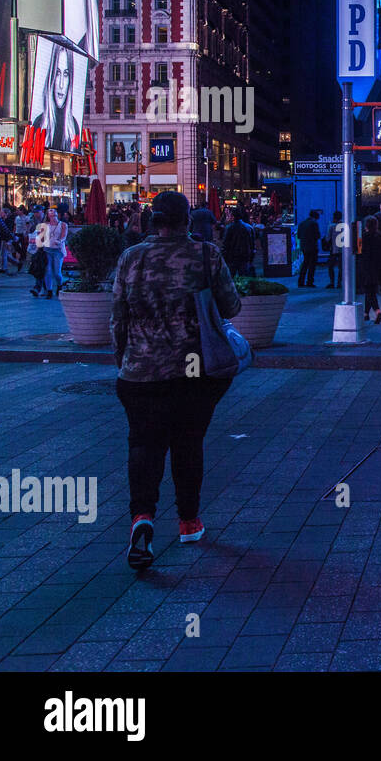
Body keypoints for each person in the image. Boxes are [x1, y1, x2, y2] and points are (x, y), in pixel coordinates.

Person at [110, 191, 240, 571]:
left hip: (140, 373)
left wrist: (124, 360)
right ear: (187, 221)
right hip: (193, 371)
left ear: (152, 221)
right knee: (188, 444)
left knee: (144, 447)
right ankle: (188, 521)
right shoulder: (205, 255)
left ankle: (142, 520)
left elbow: (117, 318)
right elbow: (231, 306)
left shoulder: (130, 257)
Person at [359, 215, 381, 324]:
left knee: (369, 290)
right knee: (371, 290)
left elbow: (359, 253)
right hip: (378, 267)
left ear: (366, 225)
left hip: (366, 267)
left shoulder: (363, 237)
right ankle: (366, 314)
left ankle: (378, 311)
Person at [39, 207, 68, 299]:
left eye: (54, 211)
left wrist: (60, 241)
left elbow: (64, 236)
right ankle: (49, 290)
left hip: (58, 250)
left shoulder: (63, 225)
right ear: (47, 215)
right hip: (47, 249)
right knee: (48, 270)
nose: (52, 212)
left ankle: (59, 285)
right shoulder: (44, 225)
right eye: (50, 211)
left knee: (57, 271)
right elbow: (41, 238)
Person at [221, 206, 255, 278]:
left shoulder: (229, 228)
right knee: (244, 278)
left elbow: (225, 244)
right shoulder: (249, 227)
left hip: (232, 256)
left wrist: (224, 256)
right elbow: (252, 244)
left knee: (230, 277)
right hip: (245, 255)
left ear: (232, 216)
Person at [296, 209, 322, 287]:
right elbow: (317, 236)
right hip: (312, 246)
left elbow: (299, 236)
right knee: (312, 265)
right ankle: (309, 281)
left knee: (305, 263)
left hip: (304, 246)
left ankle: (301, 281)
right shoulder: (314, 223)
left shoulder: (302, 223)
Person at [323, 211, 343, 288]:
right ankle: (339, 282)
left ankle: (332, 282)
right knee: (341, 267)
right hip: (342, 249)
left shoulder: (331, 226)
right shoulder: (344, 225)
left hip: (334, 249)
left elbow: (327, 238)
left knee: (331, 266)